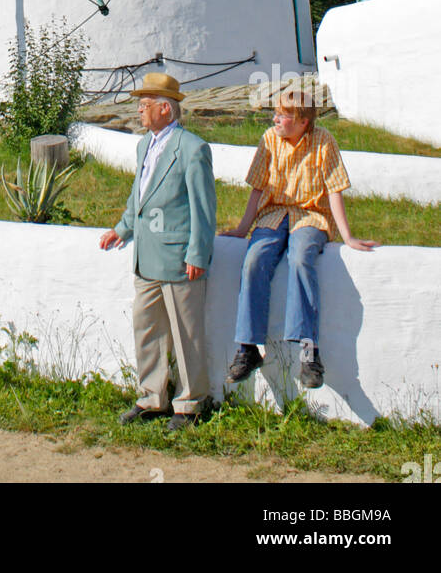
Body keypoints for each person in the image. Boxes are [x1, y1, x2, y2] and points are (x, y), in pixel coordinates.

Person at [221, 85, 379, 389]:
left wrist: (347, 236)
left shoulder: (323, 141)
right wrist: (243, 228)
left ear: (303, 121)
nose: (276, 120)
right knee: (254, 259)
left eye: (283, 115)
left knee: (301, 258)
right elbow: (257, 188)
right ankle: (247, 348)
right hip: (273, 213)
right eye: (277, 114)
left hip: (310, 215)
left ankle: (308, 350)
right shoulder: (269, 139)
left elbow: (334, 189)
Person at [99, 71, 217, 430]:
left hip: (178, 256)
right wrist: (122, 229)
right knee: (146, 328)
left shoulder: (192, 149)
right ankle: (152, 398)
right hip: (146, 258)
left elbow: (203, 207)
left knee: (185, 333)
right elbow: (140, 195)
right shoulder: (144, 146)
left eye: (145, 105)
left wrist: (197, 253)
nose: (139, 110)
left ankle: (191, 403)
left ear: (166, 109)